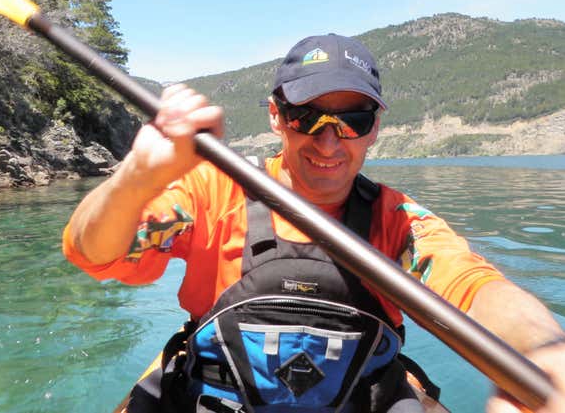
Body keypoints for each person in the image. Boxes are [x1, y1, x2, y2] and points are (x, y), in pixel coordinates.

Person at [62, 34, 565, 412]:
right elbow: (96, 251)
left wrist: (546, 351)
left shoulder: (396, 221)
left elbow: (476, 289)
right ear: (277, 117)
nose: (329, 142)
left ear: (375, 130)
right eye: (309, 116)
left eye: (354, 120)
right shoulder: (209, 192)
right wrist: (136, 178)